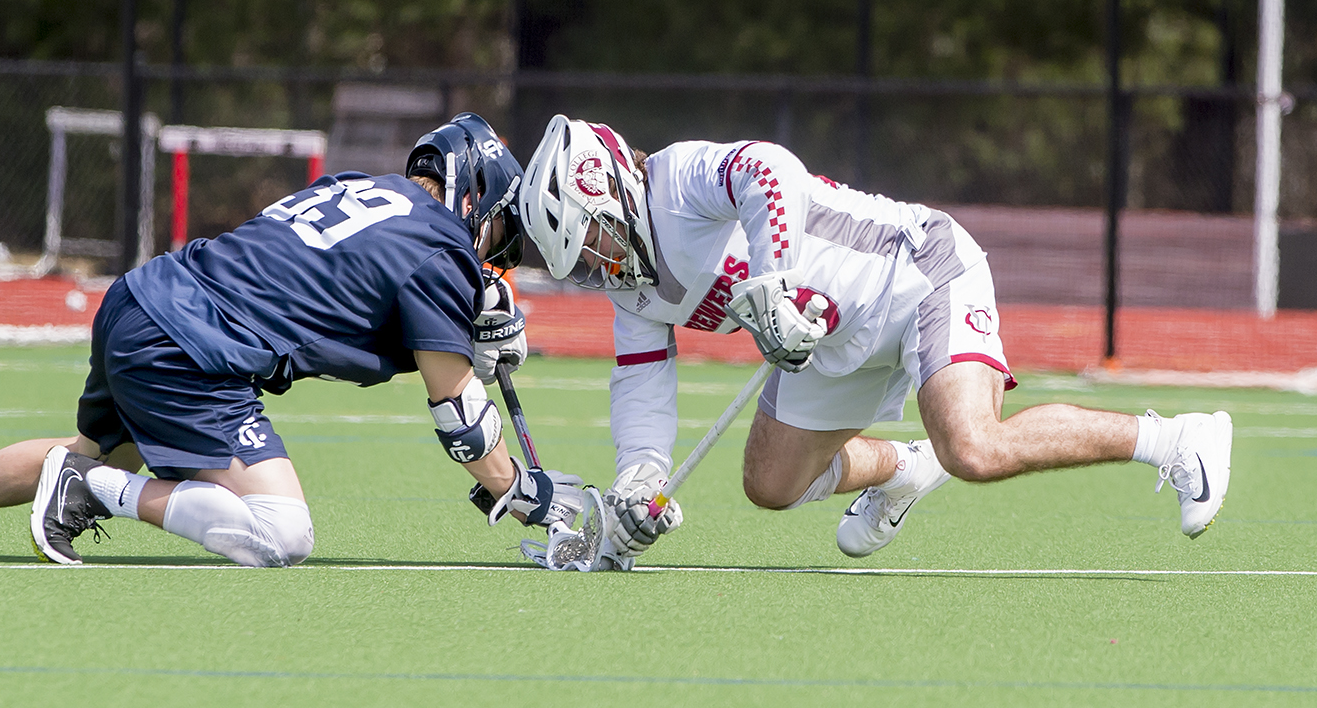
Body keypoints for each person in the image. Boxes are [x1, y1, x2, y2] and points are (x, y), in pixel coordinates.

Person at [0, 113, 583, 566]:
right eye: (495, 235)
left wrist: (464, 320)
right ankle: (88, 493)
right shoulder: (439, 250)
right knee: (279, 534)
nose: (490, 253)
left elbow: (334, 288)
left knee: (93, 446)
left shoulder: (364, 188)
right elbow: (456, 410)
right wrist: (519, 494)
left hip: (143, 301)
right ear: (477, 190)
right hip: (195, 347)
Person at [516, 115, 1233, 566]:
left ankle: (1178, 441)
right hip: (824, 339)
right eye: (580, 261)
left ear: (606, 186)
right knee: (771, 485)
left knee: (975, 449)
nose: (595, 267)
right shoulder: (628, 287)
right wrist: (640, 483)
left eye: (592, 242)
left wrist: (775, 279)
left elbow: (770, 167)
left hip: (913, 274)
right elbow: (642, 382)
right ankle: (901, 471)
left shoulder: (675, 178)